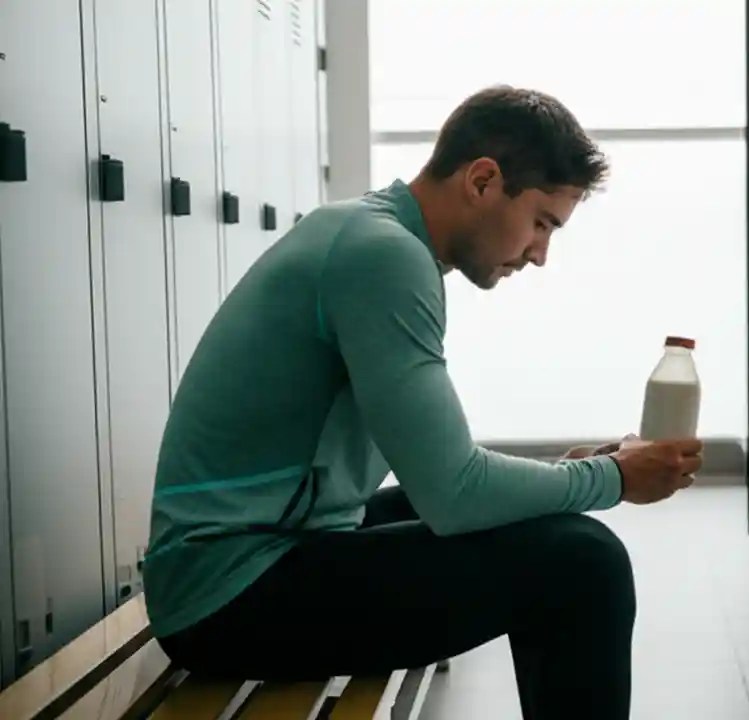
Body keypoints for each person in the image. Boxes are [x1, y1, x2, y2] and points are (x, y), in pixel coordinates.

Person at [142, 85, 703, 719]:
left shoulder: (366, 233)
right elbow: (454, 492)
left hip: (257, 551)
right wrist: (611, 479)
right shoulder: (384, 258)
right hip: (228, 594)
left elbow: (442, 468)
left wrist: (574, 472)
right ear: (484, 180)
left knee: (533, 526)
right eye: (542, 222)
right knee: (584, 563)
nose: (542, 254)